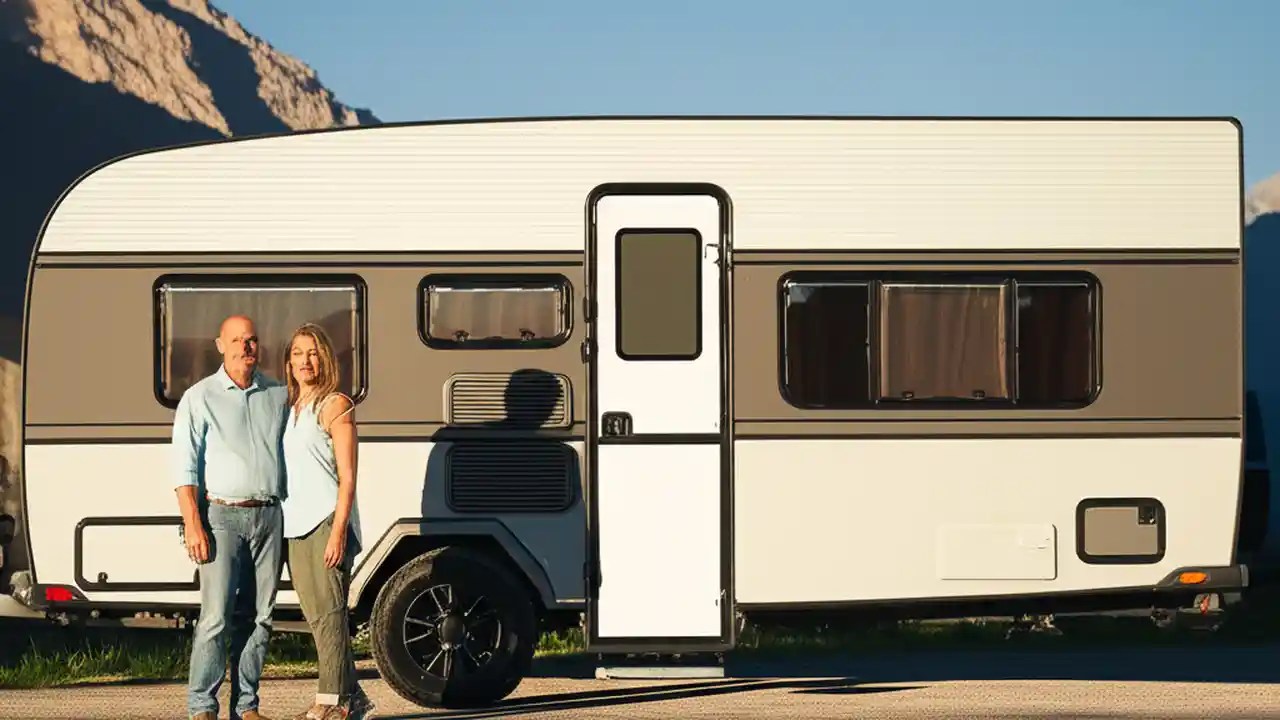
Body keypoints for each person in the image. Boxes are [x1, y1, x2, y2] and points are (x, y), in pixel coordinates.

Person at [174, 314, 289, 720]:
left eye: (252, 339)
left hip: (270, 517)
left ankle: (247, 706)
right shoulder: (199, 397)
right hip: (221, 517)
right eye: (237, 340)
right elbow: (184, 469)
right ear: (220, 345)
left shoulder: (278, 394)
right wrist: (193, 523)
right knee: (216, 617)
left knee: (260, 618)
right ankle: (202, 706)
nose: (246, 347)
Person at [280, 322, 375, 720]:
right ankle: (355, 699)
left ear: (325, 359)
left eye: (313, 352)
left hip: (325, 522)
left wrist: (339, 531)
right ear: (289, 362)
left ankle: (331, 701)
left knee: (333, 612)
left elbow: (348, 476)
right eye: (299, 353)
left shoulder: (336, 404)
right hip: (293, 525)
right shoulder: (291, 408)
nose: (306, 360)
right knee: (319, 618)